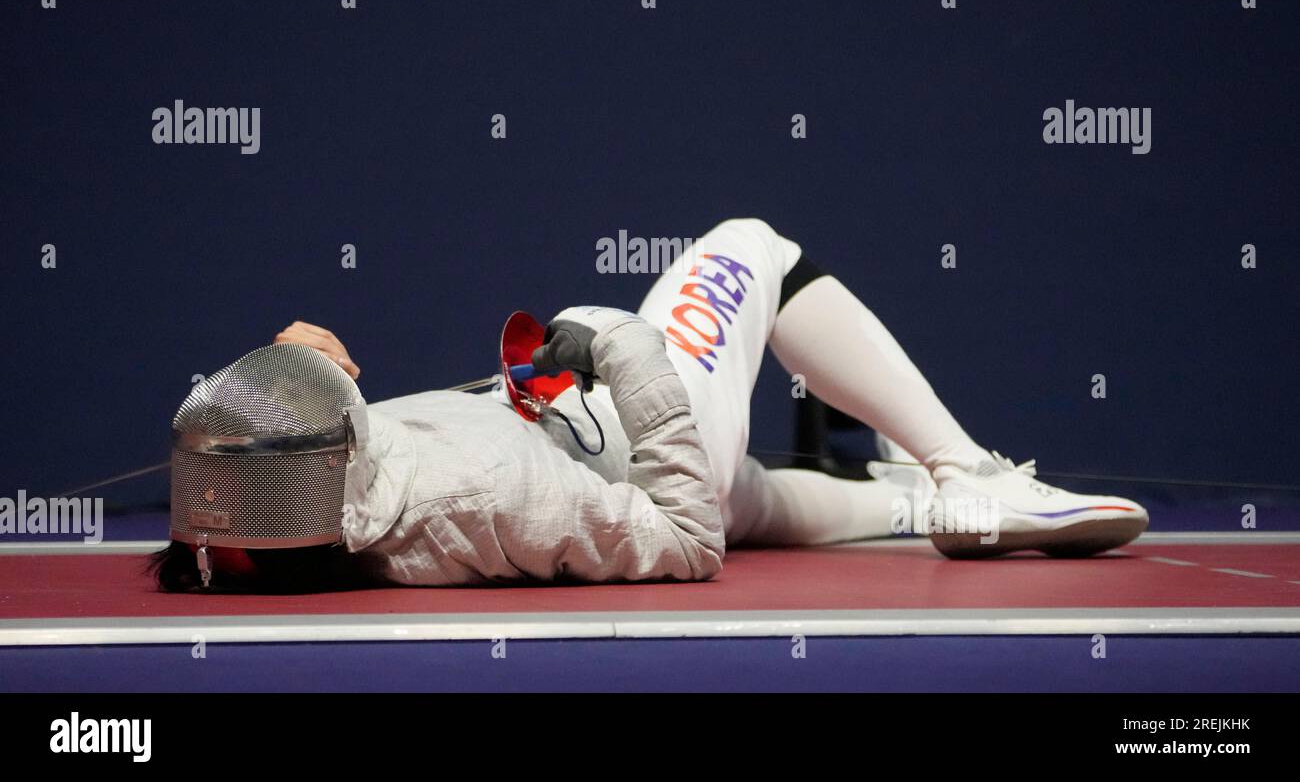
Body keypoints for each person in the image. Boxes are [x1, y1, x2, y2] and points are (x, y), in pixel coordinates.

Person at [152, 218, 1147, 592]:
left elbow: (252, 479)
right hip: (649, 444)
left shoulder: (276, 520)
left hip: (602, 442)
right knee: (753, 246)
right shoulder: (474, 498)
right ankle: (963, 467)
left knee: (762, 496)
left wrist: (294, 369)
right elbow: (687, 532)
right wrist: (609, 335)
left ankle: (928, 504)